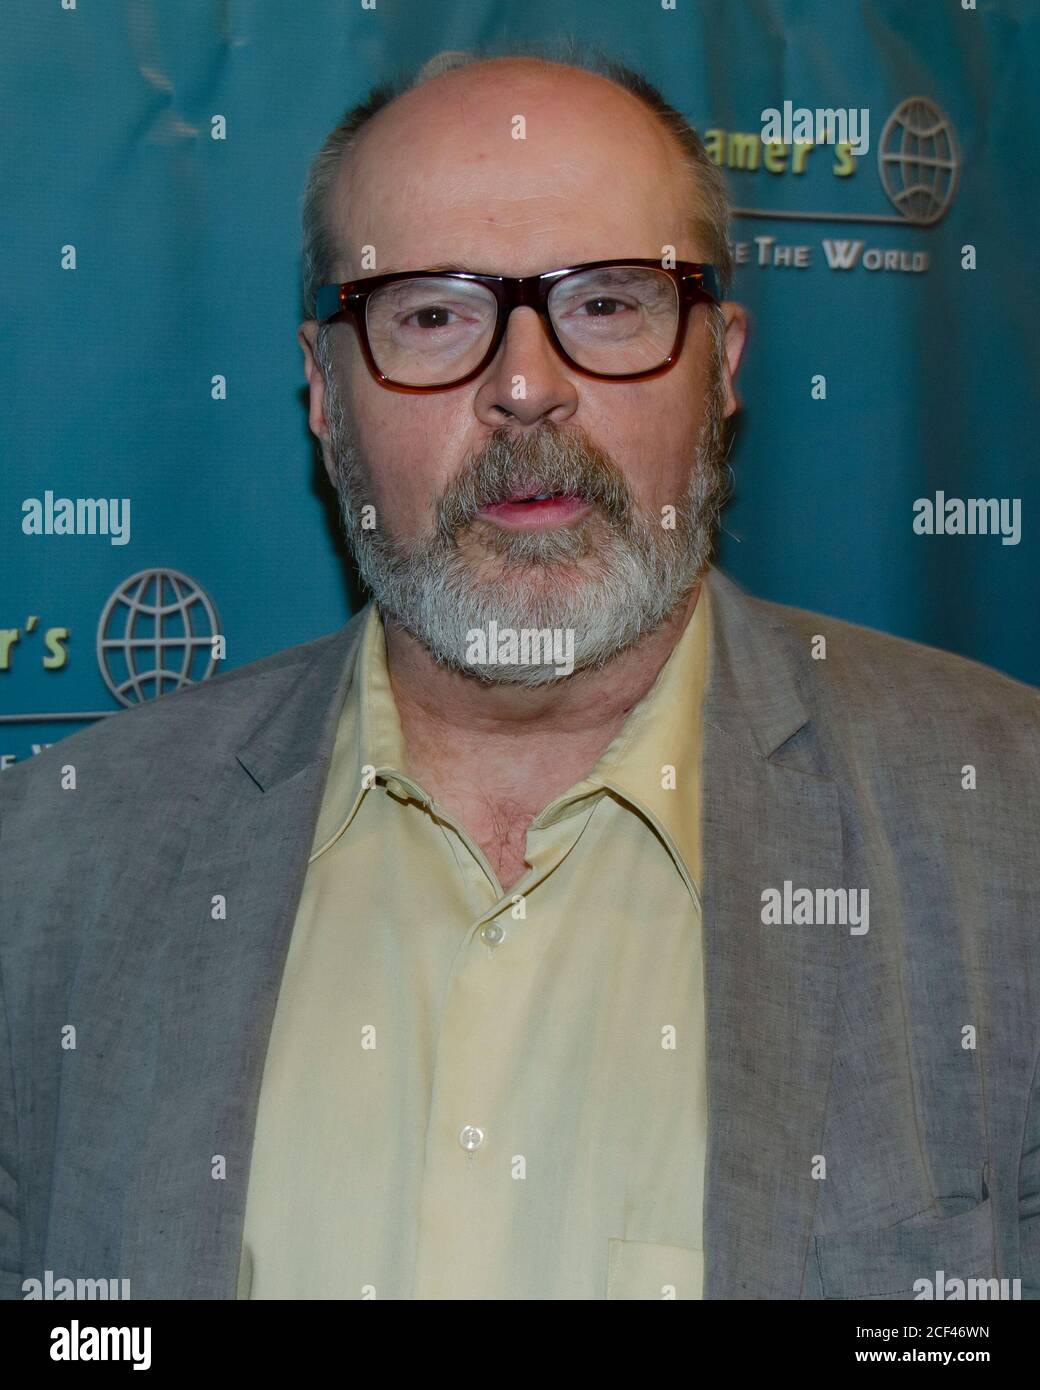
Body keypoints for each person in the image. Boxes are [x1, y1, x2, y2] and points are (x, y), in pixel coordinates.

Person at [2, 45, 1038, 1302]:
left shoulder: (1005, 826)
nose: (526, 386)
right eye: (432, 313)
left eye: (608, 302)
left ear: (722, 366)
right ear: (324, 396)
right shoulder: (53, 869)